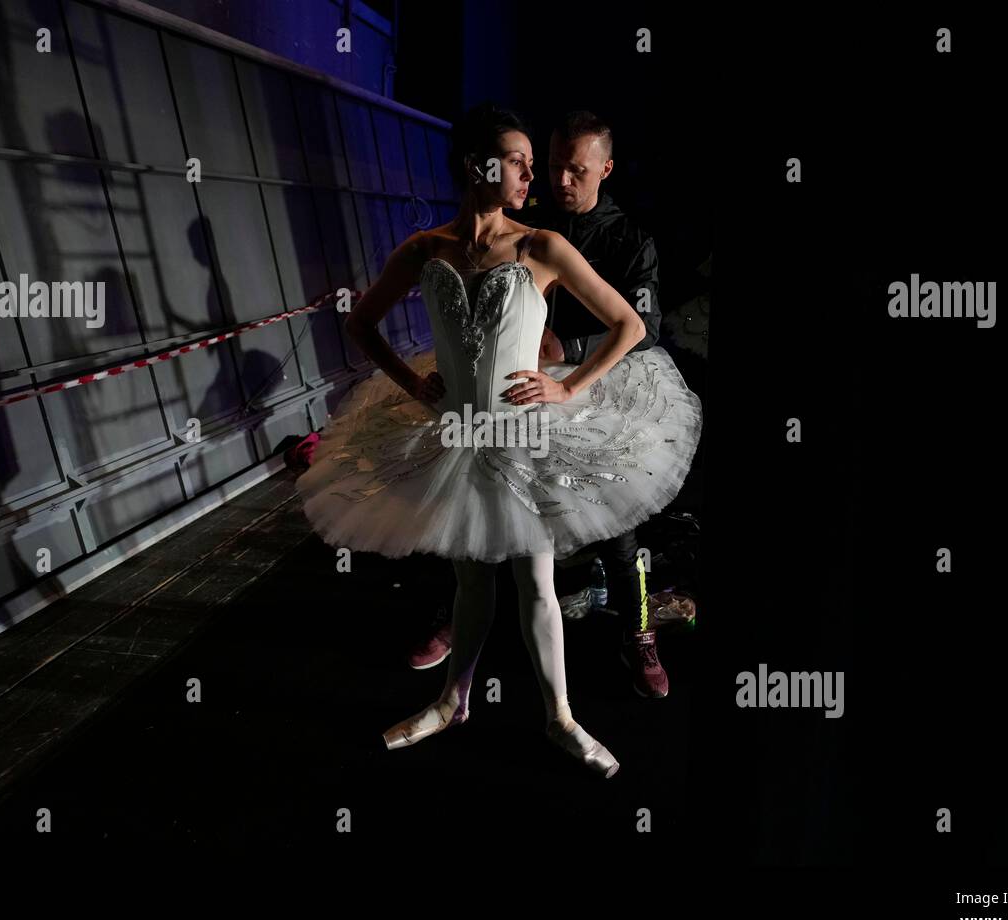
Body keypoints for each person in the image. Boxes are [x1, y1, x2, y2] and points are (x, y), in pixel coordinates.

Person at [294, 104, 702, 778]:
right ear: (474, 166)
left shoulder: (540, 246)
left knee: (537, 584)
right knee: (470, 584)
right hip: (457, 433)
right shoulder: (425, 249)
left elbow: (629, 324)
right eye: (517, 161)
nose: (530, 174)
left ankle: (560, 718)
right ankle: (453, 702)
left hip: (524, 435)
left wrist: (568, 388)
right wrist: (410, 381)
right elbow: (362, 323)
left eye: (531, 165)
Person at [412, 109, 674, 698]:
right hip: (513, 393)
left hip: (595, 387)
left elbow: (644, 326)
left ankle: (638, 630)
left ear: (605, 168)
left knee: (614, 523)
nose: (559, 180)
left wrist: (568, 355)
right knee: (469, 499)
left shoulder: (632, 241)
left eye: (574, 170)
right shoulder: (526, 219)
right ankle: (463, 619)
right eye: (552, 166)